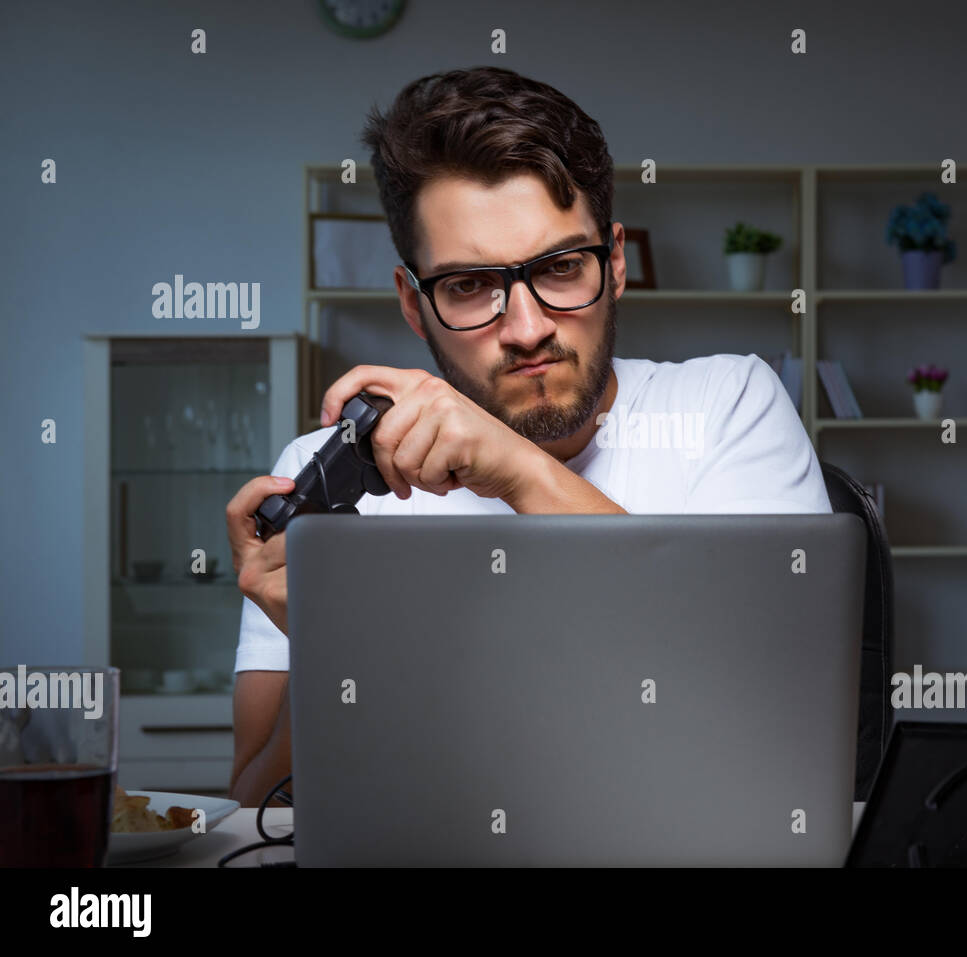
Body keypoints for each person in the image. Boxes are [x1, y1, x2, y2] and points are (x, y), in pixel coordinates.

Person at [224, 66, 831, 807]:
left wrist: (517, 470)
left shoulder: (729, 403)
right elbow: (257, 804)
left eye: (561, 267)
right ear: (414, 306)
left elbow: (775, 718)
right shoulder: (328, 481)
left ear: (614, 267)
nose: (528, 328)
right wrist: (333, 638)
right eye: (470, 285)